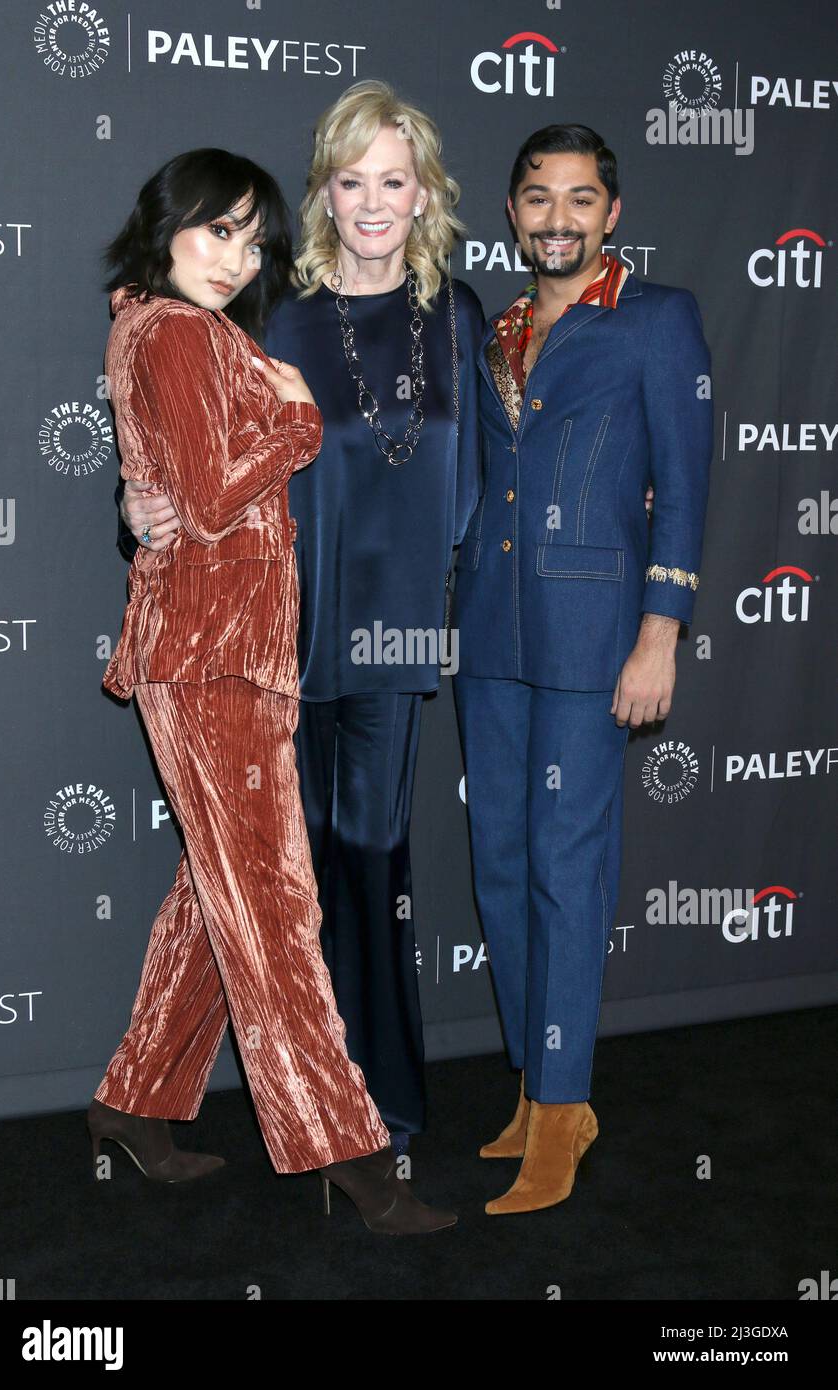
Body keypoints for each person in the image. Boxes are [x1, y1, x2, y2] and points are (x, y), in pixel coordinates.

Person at [92, 146, 456, 1235]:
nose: (235, 256)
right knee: (276, 909)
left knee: (219, 896)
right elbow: (206, 495)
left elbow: (177, 482)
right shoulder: (175, 330)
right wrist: (296, 419)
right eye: (216, 230)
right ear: (166, 228)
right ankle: (350, 1157)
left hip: (223, 646)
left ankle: (132, 1103)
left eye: (251, 240)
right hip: (211, 655)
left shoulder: (165, 328)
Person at [451, 124, 712, 1215]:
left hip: (592, 635)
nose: (556, 216)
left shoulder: (655, 322)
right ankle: (531, 1081)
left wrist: (660, 630)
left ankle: (562, 1107)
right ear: (511, 215)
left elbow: (685, 486)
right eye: (535, 198)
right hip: (490, 637)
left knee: (566, 868)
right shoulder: (491, 327)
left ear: (610, 213)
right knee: (502, 866)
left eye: (579, 198)